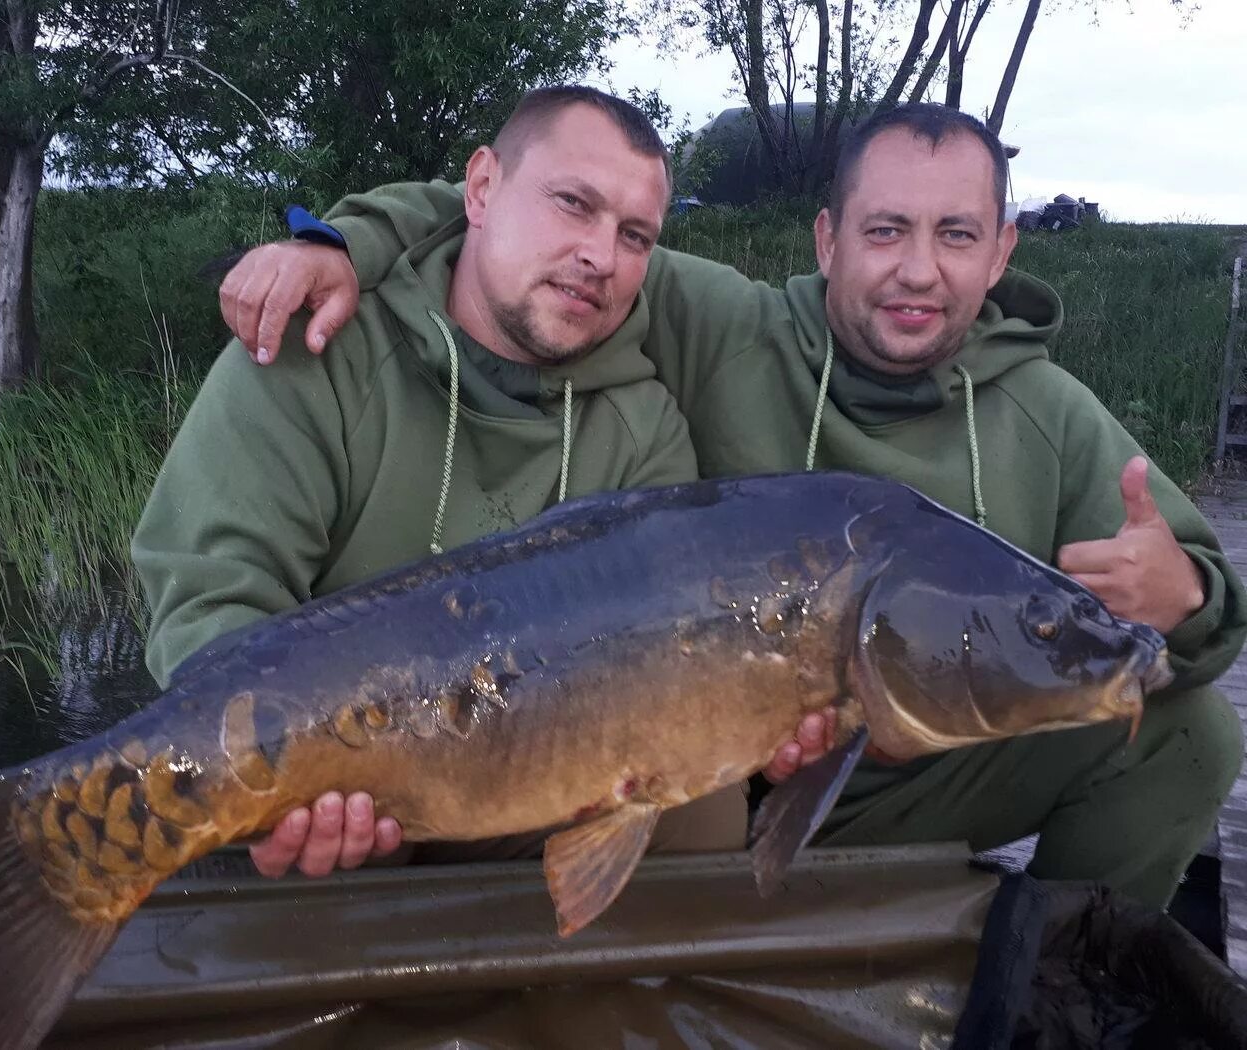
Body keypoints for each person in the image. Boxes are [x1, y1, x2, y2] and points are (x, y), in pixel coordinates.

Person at [215, 102, 1247, 908]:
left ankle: (1046, 968)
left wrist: (1187, 593)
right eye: (884, 230)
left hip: (908, 781)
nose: (916, 270)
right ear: (827, 237)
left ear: (1001, 250)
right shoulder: (722, 321)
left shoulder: (1055, 415)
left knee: (1190, 736)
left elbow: (1184, 635)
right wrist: (341, 239)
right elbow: (541, 214)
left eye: (955, 234)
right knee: (675, 795)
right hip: (702, 763)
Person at [133, 86, 833, 882]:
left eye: (634, 235)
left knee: (700, 804)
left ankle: (560, 994)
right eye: (573, 204)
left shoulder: (646, 433)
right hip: (313, 788)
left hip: (515, 776)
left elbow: (652, 663)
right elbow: (208, 600)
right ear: (481, 188)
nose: (600, 255)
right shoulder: (317, 345)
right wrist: (278, 770)